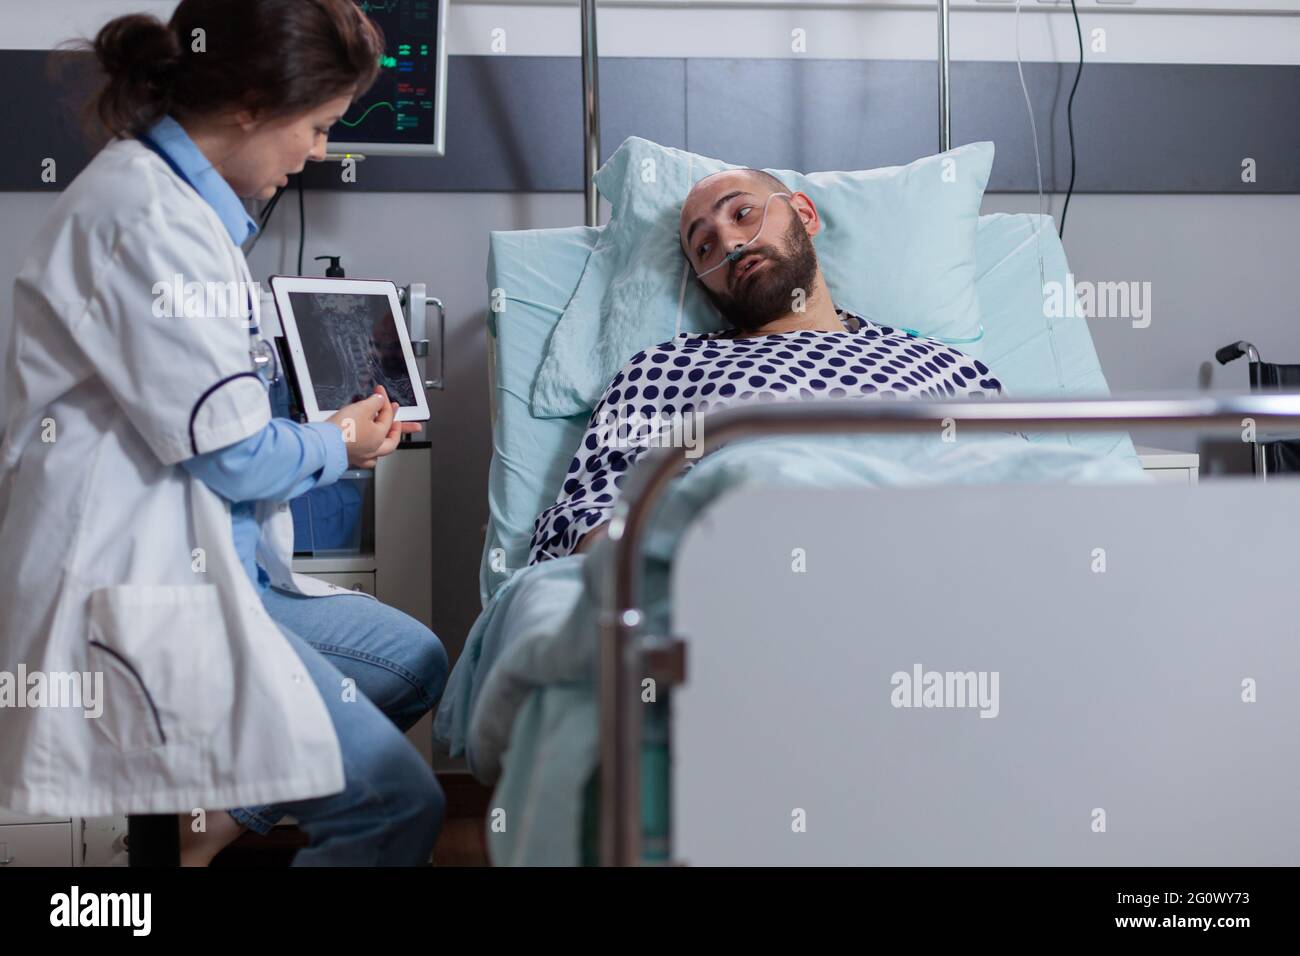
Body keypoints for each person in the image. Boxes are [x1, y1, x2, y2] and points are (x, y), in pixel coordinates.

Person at [0, 0, 445, 866]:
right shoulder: (147, 219)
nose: (319, 151)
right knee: (395, 807)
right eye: (316, 125)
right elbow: (235, 453)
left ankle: (218, 821)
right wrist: (337, 445)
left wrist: (314, 435)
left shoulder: (187, 213)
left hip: (225, 574)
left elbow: (214, 416)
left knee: (416, 661)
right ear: (248, 103)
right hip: (145, 598)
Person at [528, 169, 1006, 563]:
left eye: (743, 214)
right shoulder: (664, 371)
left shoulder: (940, 364)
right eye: (705, 248)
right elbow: (580, 523)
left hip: (939, 557)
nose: (732, 243)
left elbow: (1026, 486)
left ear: (804, 213)